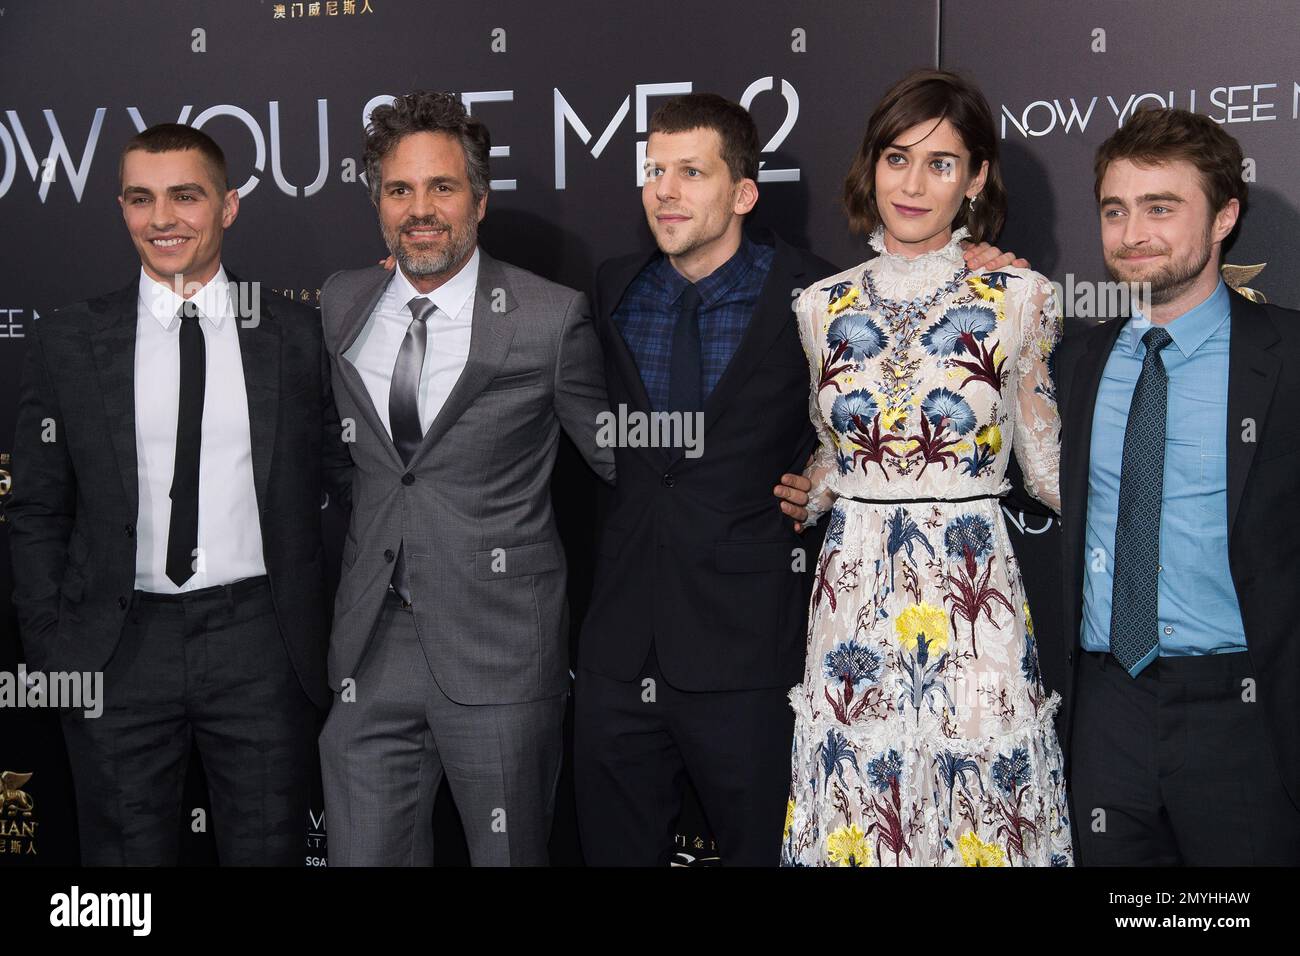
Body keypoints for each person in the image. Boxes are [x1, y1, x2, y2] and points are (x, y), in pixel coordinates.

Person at [574, 91, 1023, 866]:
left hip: (749, 653)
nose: (665, 190)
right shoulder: (613, 289)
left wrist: (984, 264)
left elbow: (871, 419)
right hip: (619, 653)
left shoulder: (818, 300)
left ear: (744, 193)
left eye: (691, 172)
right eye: (655, 171)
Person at [7, 123, 352, 865]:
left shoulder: (294, 334)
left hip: (262, 642)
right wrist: (51, 645)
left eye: (185, 196)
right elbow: (34, 508)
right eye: (141, 199)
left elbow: (348, 485)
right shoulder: (69, 339)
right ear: (122, 208)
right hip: (115, 651)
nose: (161, 219)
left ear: (227, 207)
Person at [777, 70, 1072, 866]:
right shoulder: (819, 306)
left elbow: (1047, 463)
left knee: (984, 808)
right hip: (852, 588)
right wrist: (811, 489)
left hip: (972, 584)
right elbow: (838, 453)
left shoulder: (1023, 298)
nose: (913, 183)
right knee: (860, 814)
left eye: (942, 164)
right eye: (898, 157)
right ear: (870, 165)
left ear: (975, 179)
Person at [317, 91, 615, 866]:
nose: (421, 209)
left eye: (441, 188)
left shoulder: (548, 319)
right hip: (369, 649)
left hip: (502, 650)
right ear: (379, 203)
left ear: (478, 201)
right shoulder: (341, 300)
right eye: (399, 189)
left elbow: (620, 462)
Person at [1053, 106, 1300, 865]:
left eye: (1162, 208)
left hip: (1245, 711)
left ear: (1224, 215)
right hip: (1104, 710)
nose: (1134, 235)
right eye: (1116, 210)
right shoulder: (1071, 363)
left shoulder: (1288, 356)